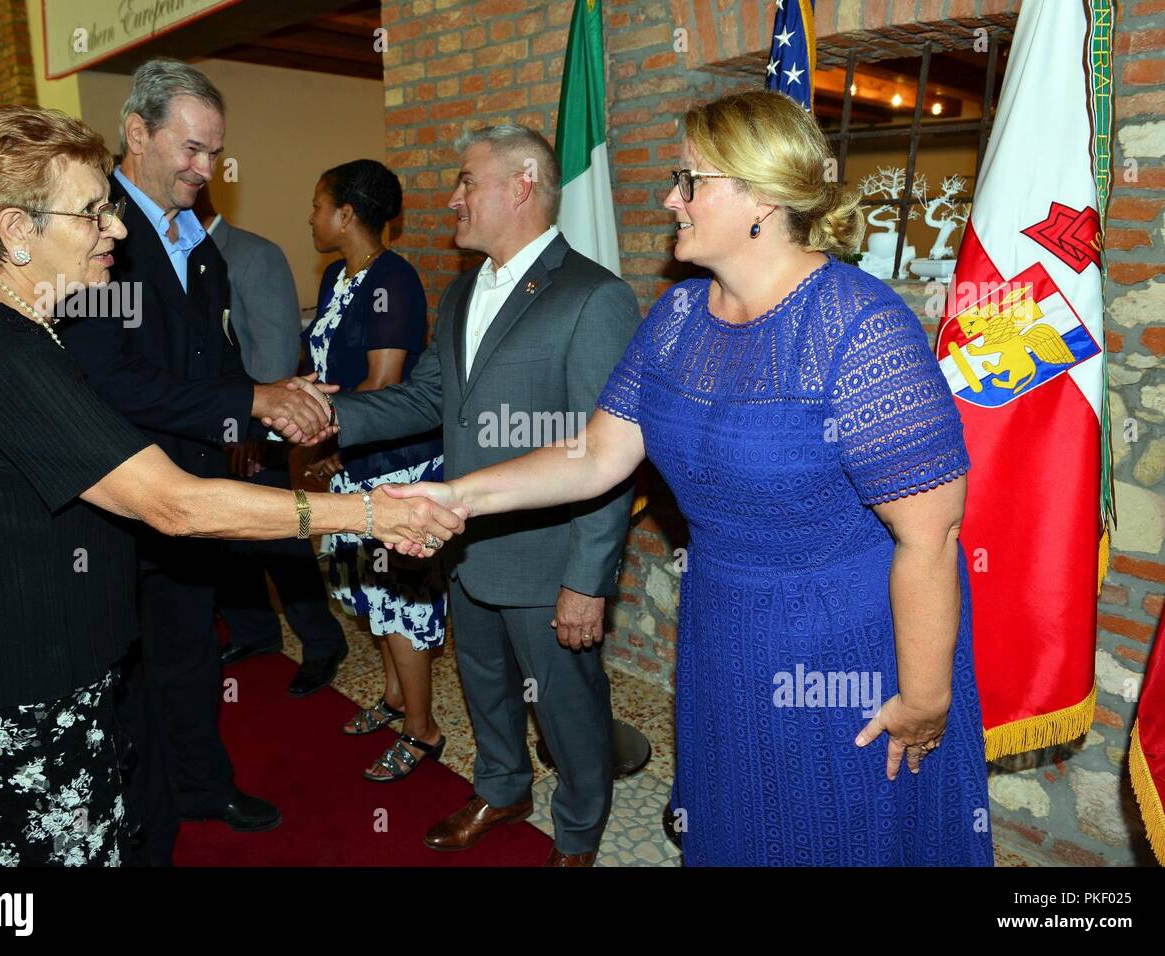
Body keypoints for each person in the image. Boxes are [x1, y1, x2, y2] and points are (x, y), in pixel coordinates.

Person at [388, 91, 994, 867]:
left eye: (691, 181)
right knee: (741, 820)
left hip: (844, 643)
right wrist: (458, 497)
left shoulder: (859, 327)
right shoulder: (676, 318)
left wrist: (926, 698)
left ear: (762, 198)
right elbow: (596, 454)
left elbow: (932, 535)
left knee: (838, 828)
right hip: (722, 626)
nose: (671, 199)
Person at [0, 104, 461, 866]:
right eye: (92, 213)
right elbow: (174, 503)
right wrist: (366, 512)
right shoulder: (0, 357)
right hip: (27, 683)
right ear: (17, 229)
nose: (116, 230)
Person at [304, 126, 640, 864]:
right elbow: (429, 398)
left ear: (521, 186)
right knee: (484, 683)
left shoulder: (594, 296)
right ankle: (502, 786)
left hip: (547, 558)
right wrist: (330, 415)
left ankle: (579, 831)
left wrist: (588, 579)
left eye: (467, 182)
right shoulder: (461, 292)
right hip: (465, 543)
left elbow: (608, 454)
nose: (452, 198)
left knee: (566, 705)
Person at [58, 58, 345, 863]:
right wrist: (251, 399)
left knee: (187, 653)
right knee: (121, 673)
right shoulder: (99, 234)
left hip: (192, 489)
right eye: (190, 149)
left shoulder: (198, 241)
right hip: (118, 498)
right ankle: (137, 814)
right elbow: (110, 380)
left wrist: (272, 398)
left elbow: (207, 364)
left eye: (215, 153)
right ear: (136, 132)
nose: (206, 169)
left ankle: (201, 784)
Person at [293, 159, 447, 781]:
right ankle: (392, 697)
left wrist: (327, 435)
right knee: (370, 592)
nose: (311, 217)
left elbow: (384, 382)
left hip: (392, 461)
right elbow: (332, 365)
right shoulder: (338, 275)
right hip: (349, 451)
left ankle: (423, 729)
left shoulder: (394, 279)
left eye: (317, 205)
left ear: (346, 213)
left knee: (398, 599)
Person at [194, 185, 349, 698]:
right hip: (208, 424)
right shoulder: (186, 257)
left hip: (258, 428)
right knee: (228, 536)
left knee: (282, 535)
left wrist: (252, 433)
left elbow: (277, 353)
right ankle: (254, 631)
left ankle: (323, 642)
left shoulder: (253, 254)